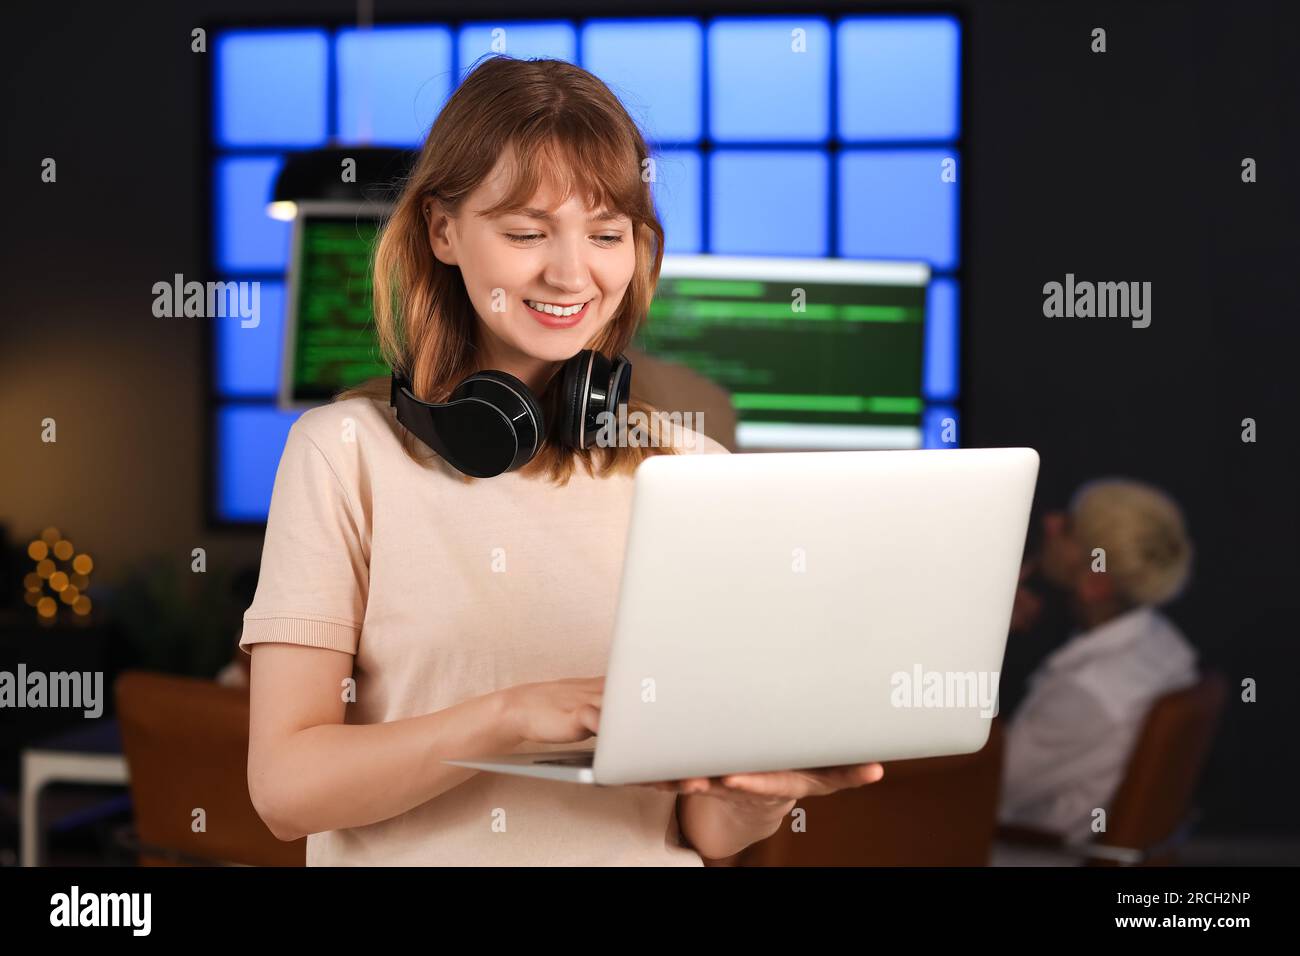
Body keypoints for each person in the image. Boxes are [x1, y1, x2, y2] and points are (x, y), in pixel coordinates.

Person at [240, 55, 883, 867]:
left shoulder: (698, 471)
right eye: (526, 232)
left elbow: (704, 835)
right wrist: (507, 718)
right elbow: (285, 792)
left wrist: (754, 796)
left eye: (607, 234)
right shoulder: (344, 454)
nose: (570, 272)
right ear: (443, 230)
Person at [997, 478, 1198, 852]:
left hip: (1027, 853)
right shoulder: (1166, 644)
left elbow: (978, 784)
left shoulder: (1087, 694)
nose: (1052, 522)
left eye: (1069, 528)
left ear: (1095, 583)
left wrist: (976, 630)